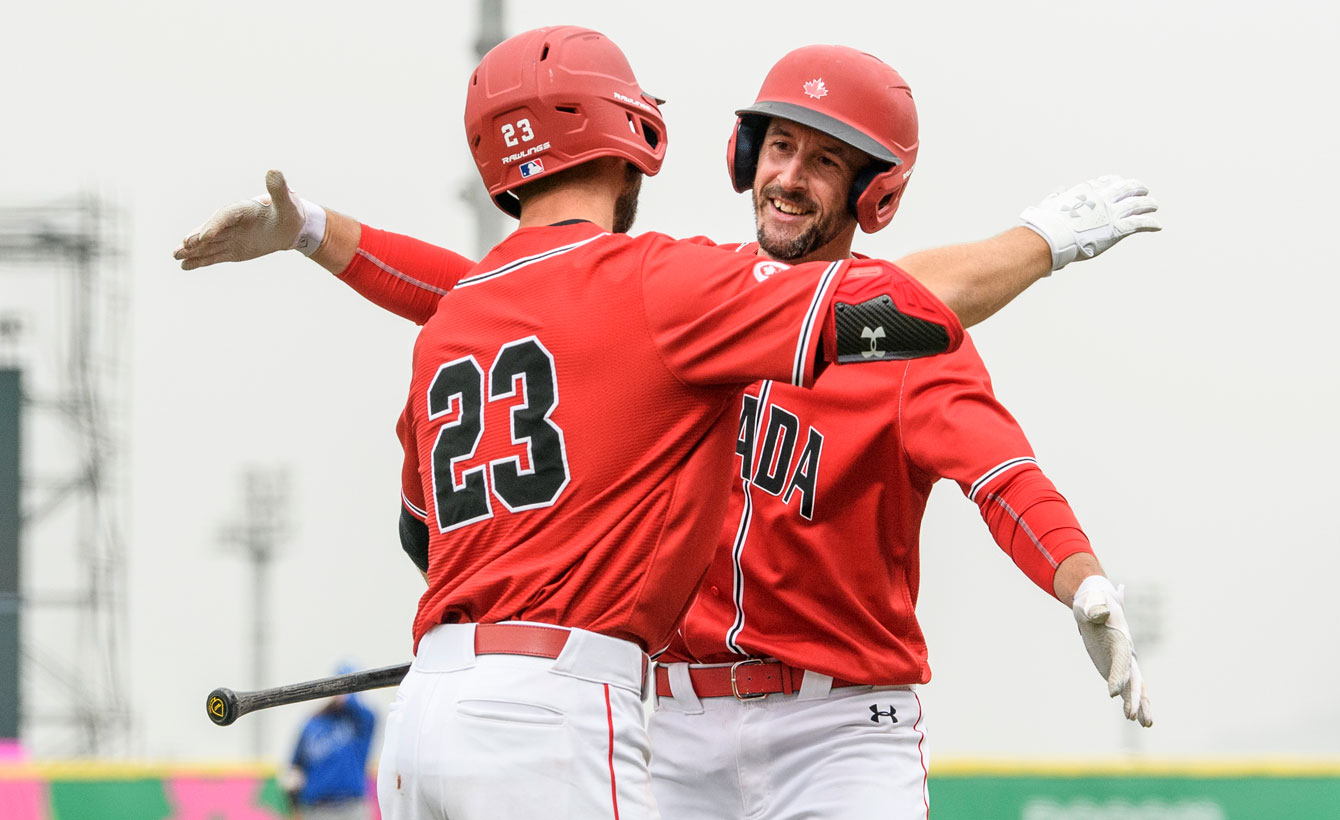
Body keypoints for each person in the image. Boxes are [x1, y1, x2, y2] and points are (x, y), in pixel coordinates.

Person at [175, 28, 1159, 820]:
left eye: (825, 160)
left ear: (875, 190)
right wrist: (1041, 241)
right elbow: (508, 291)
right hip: (662, 719)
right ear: (741, 154)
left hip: (834, 733)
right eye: (779, 145)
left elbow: (1002, 472)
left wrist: (1079, 578)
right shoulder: (674, 293)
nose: (789, 174)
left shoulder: (695, 299)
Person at [283, 662, 377, 820]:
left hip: (352, 806)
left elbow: (368, 715)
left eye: (351, 688)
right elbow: (294, 768)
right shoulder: (313, 723)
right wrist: (294, 804)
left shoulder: (360, 720)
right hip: (318, 808)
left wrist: (348, 696)